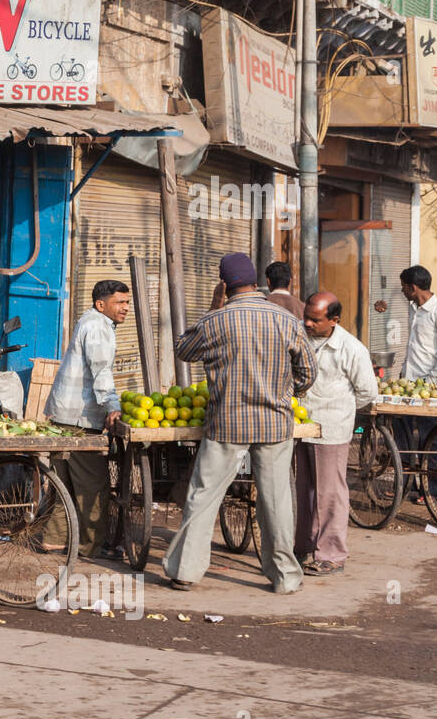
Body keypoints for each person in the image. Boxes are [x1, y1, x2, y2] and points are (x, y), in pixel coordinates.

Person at [162, 253, 316, 594]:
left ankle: (185, 571)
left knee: (203, 497)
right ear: (255, 281)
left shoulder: (215, 321)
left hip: (226, 424)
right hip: (275, 425)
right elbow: (308, 371)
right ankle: (285, 578)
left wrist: (214, 308)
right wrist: (289, 390)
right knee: (275, 501)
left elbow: (183, 350)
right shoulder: (285, 319)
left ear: (224, 284)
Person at [43, 279, 131, 561]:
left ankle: (54, 540)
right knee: (92, 485)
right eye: (120, 302)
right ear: (101, 304)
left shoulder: (89, 321)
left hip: (62, 414)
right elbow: (101, 370)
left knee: (63, 483)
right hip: (79, 418)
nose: (125, 308)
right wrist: (112, 405)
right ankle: (92, 547)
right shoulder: (98, 326)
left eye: (127, 302)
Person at [296, 291, 377, 576]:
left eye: (314, 319)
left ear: (334, 320)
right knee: (304, 491)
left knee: (330, 493)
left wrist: (339, 409)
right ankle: (304, 546)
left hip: (331, 430)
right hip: (300, 428)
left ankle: (331, 554)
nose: (307, 323)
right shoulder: (299, 339)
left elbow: (367, 391)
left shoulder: (351, 349)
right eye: (305, 316)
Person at [398, 264, 437, 502]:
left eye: (404, 288)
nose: (402, 293)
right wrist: (381, 308)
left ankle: (430, 490)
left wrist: (432, 379)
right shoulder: (414, 309)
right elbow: (390, 303)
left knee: (431, 439)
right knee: (403, 435)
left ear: (413, 287)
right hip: (407, 383)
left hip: (430, 388)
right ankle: (403, 487)